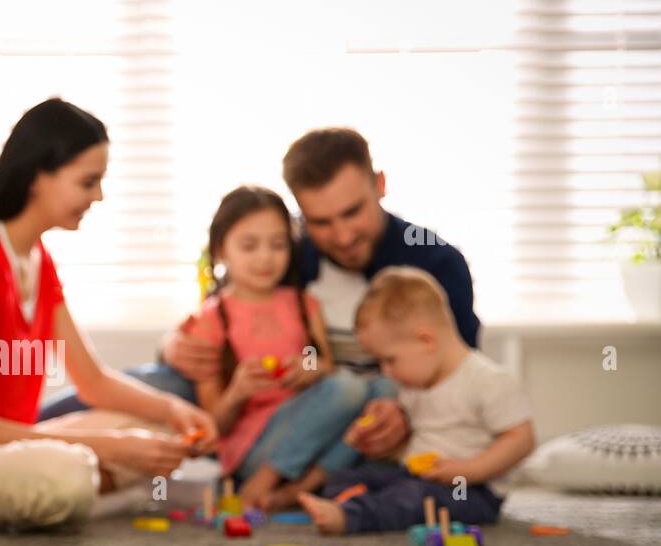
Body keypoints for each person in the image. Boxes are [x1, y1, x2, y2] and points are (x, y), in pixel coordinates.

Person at [39, 127, 481, 471]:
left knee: (377, 422)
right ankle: (22, 432)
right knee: (160, 379)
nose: (343, 236)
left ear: (380, 185)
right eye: (321, 221)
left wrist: (403, 413)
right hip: (256, 406)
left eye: (353, 212)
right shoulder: (289, 254)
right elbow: (223, 314)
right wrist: (174, 344)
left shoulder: (437, 264)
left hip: (365, 412)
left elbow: (461, 370)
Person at [0, 98, 218, 530]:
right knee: (66, 474)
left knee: (156, 429)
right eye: (88, 181)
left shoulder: (38, 260)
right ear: (38, 176)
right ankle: (98, 491)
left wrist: (172, 410)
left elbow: (92, 380)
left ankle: (95, 490)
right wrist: (110, 448)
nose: (99, 195)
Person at [297, 267, 534, 533]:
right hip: (417, 475)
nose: (385, 371)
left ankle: (353, 517)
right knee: (345, 479)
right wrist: (380, 421)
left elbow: (521, 439)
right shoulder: (414, 385)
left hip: (470, 490)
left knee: (414, 498)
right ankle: (356, 502)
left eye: (389, 359)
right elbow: (409, 437)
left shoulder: (488, 380)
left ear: (426, 340)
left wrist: (468, 470)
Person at [183, 185, 370, 509]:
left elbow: (322, 361)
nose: (265, 257)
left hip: (309, 432)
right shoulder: (212, 318)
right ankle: (266, 479)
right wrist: (238, 392)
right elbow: (212, 425)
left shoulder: (303, 304)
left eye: (278, 245)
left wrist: (309, 368)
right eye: (249, 245)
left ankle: (290, 492)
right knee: (348, 389)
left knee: (377, 395)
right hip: (255, 449)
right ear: (220, 250)